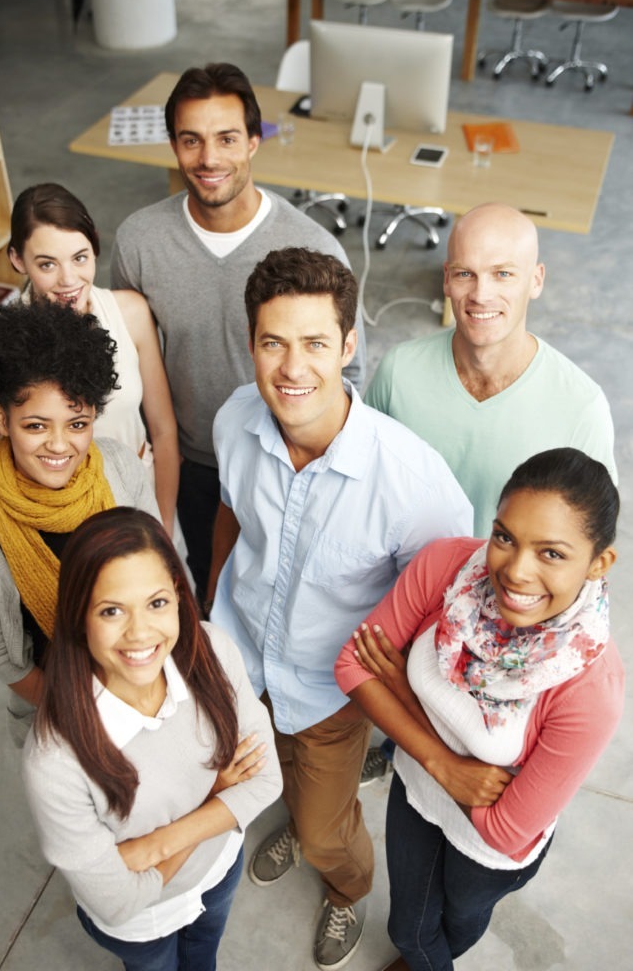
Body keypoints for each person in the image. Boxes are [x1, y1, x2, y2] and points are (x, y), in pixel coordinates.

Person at [208, 247, 472, 970]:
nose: (292, 369)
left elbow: (438, 613)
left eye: (315, 343)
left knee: (329, 836)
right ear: (251, 343)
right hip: (240, 663)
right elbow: (229, 516)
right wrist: (210, 611)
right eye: (273, 343)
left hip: (330, 689)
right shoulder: (236, 420)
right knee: (272, 778)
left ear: (349, 346)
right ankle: (302, 813)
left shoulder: (412, 483)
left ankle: (345, 888)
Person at [335, 447, 624, 971]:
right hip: (418, 789)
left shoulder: (590, 687)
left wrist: (402, 690)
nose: (515, 571)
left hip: (486, 855)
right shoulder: (449, 565)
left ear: (599, 563)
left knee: (456, 923)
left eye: (552, 553)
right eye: (505, 537)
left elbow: (507, 830)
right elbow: (352, 666)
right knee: (409, 928)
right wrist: (444, 764)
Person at [110, 62, 366, 607]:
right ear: (173, 146)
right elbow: (127, 360)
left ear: (254, 142)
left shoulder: (314, 248)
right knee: (202, 602)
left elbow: (351, 373)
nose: (209, 159)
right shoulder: (139, 242)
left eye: (227, 138)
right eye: (191, 140)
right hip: (190, 466)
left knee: (295, 610)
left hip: (288, 466)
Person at [22, 507, 282, 971]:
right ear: (79, 617)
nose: (140, 633)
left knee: (203, 956)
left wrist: (151, 848)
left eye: (157, 602)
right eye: (111, 610)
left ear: (180, 598)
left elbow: (266, 783)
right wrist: (219, 796)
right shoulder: (54, 761)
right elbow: (119, 903)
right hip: (142, 924)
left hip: (218, 872)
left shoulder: (213, 650)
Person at [0, 301, 161, 740]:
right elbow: (3, 658)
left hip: (153, 689)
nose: (60, 445)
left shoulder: (120, 468)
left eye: (77, 422)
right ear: (1, 419)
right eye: (36, 426)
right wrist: (96, 715)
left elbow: (161, 578)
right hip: (59, 713)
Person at [365, 202, 617, 538]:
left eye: (503, 274)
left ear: (536, 280)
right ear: (447, 280)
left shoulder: (581, 406)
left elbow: (593, 538)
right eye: (465, 273)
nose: (481, 295)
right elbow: (360, 490)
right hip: (406, 582)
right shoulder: (399, 372)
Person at [4, 182, 178, 538]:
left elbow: (163, 431)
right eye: (47, 264)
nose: (69, 280)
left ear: (95, 248)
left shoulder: (131, 313)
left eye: (80, 258)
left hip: (138, 499)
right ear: (17, 260)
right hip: (55, 516)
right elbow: (2, 465)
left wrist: (162, 526)